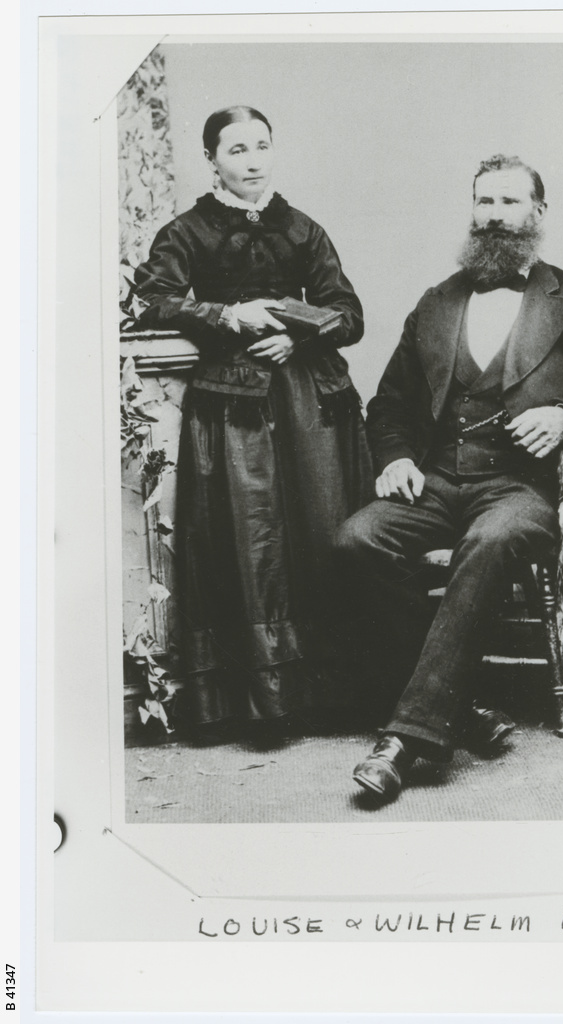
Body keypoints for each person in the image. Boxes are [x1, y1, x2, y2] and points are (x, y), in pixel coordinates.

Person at [334, 154, 563, 803]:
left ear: (537, 212)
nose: (496, 216)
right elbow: (390, 403)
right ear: (472, 212)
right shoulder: (438, 302)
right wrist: (395, 456)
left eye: (510, 202)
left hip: (522, 489)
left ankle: (406, 740)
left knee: (490, 541)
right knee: (356, 542)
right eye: (485, 202)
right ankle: (458, 706)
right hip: (437, 479)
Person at [133, 105, 371, 737]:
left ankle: (332, 698)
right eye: (237, 150)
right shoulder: (187, 232)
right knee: (252, 543)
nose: (253, 161)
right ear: (211, 158)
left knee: (321, 529)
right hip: (235, 410)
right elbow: (153, 299)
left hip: (309, 405)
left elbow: (348, 313)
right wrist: (229, 318)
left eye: (262, 146)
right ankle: (260, 706)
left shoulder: (303, 229)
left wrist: (299, 334)